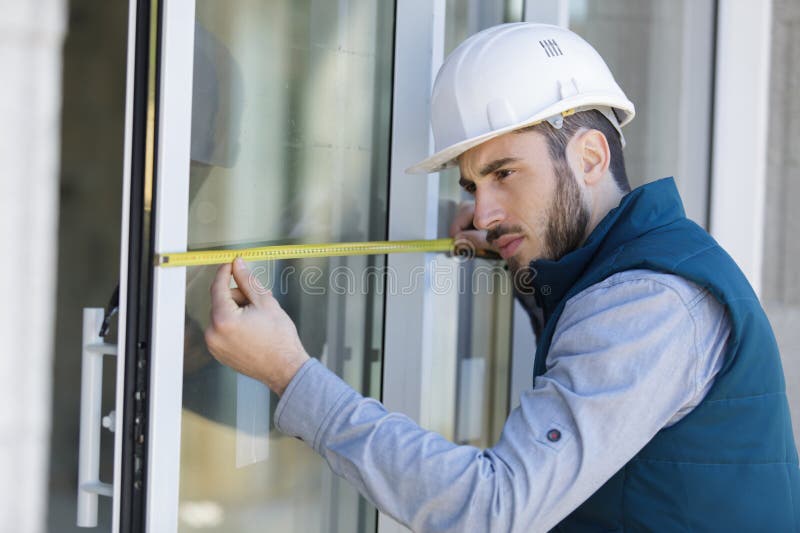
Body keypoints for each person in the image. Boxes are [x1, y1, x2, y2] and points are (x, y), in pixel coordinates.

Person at [203, 23, 800, 531]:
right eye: (472, 187)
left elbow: (495, 507)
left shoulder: (649, 304)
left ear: (590, 158)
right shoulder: (623, 271)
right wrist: (524, 254)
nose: (483, 213)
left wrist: (290, 373)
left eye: (505, 174)